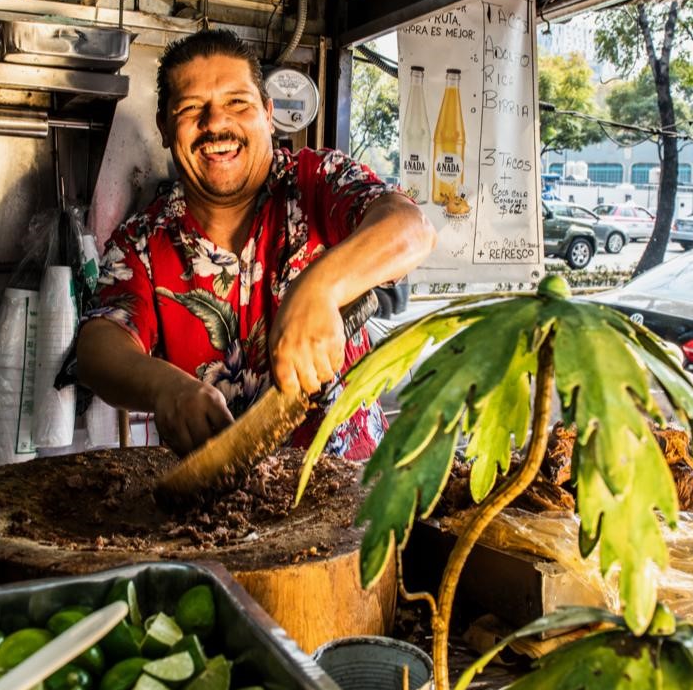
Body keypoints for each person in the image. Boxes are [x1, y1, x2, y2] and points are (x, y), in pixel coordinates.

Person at [77, 29, 436, 458]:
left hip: (352, 499)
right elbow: (98, 346)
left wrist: (321, 289)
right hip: (220, 510)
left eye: (237, 103)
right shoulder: (143, 239)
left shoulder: (316, 182)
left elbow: (410, 226)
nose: (215, 123)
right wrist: (164, 388)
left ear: (268, 114)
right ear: (165, 127)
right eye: (192, 108)